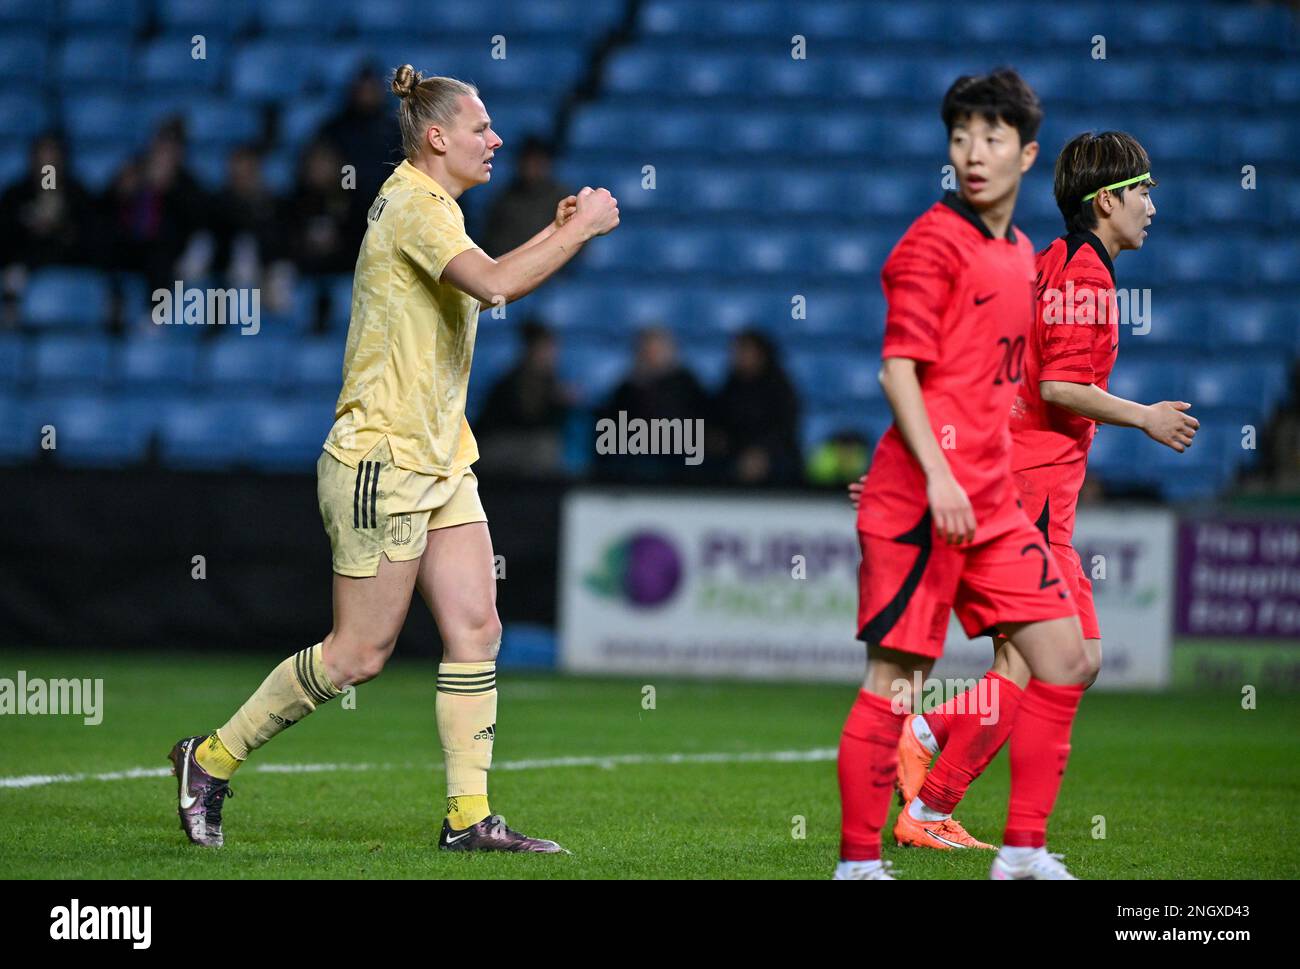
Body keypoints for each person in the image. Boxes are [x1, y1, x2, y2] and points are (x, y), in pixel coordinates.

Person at [169, 64, 619, 853]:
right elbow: (492, 285)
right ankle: (209, 759)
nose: (497, 139)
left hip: (440, 456)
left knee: (477, 625)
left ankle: (467, 817)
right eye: (483, 128)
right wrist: (576, 231)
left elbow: (493, 282)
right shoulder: (416, 205)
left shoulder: (434, 205)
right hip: (381, 459)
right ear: (438, 136)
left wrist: (556, 230)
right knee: (358, 655)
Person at [874, 131, 1197, 848]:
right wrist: (1144, 415)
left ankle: (922, 733)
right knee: (1045, 664)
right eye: (1142, 191)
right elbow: (1057, 384)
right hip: (1028, 492)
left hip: (1023, 487)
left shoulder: (1053, 261)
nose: (1152, 206)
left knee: (1074, 659)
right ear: (1106, 200)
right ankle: (927, 810)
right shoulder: (1085, 277)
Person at [835, 69, 1095, 881]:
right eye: (959, 138)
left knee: (1066, 657)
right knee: (898, 681)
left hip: (991, 501)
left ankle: (1021, 851)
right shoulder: (929, 243)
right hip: (926, 497)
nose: (972, 154)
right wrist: (933, 478)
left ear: (1026, 153)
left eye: (990, 138)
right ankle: (857, 865)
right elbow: (897, 373)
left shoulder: (1021, 255)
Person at [713, 329, 801, 485]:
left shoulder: (780, 388)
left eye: (745, 351)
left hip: (775, 456)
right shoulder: (731, 386)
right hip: (737, 454)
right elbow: (721, 423)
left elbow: (784, 430)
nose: (739, 357)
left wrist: (762, 452)